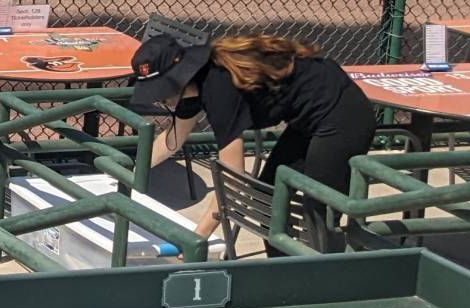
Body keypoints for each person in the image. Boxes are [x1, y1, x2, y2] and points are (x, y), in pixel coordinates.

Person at [127, 32, 377, 244]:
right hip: (308, 119)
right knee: (271, 202)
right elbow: (173, 139)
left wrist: (198, 240)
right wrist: (130, 173)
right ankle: (284, 274)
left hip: (342, 115)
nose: (161, 99)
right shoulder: (193, 86)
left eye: (162, 92)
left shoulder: (219, 88)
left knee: (315, 209)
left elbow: (233, 181)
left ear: (181, 77)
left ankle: (324, 279)